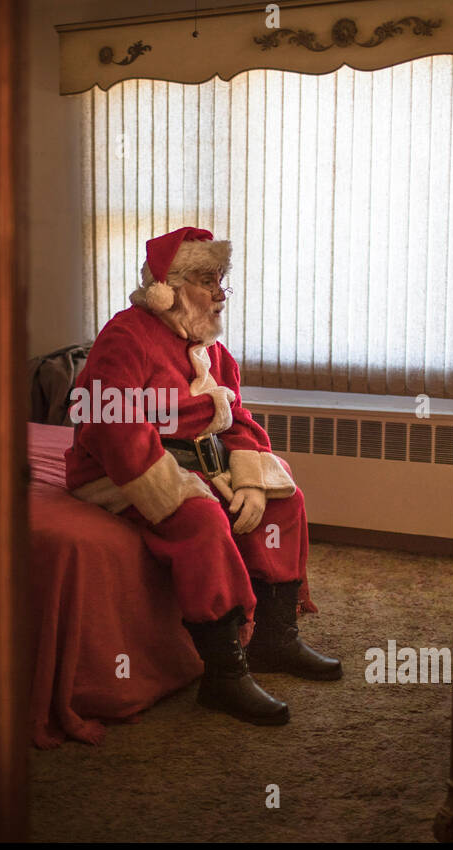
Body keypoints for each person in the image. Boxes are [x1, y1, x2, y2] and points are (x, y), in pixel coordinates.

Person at [64, 226, 342, 726]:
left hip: (197, 456)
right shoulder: (124, 337)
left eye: (222, 280)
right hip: (120, 468)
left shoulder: (209, 345)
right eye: (207, 280)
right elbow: (116, 429)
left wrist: (253, 477)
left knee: (287, 500)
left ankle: (276, 640)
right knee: (202, 522)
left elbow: (236, 417)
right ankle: (224, 674)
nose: (220, 293)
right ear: (165, 288)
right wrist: (179, 495)